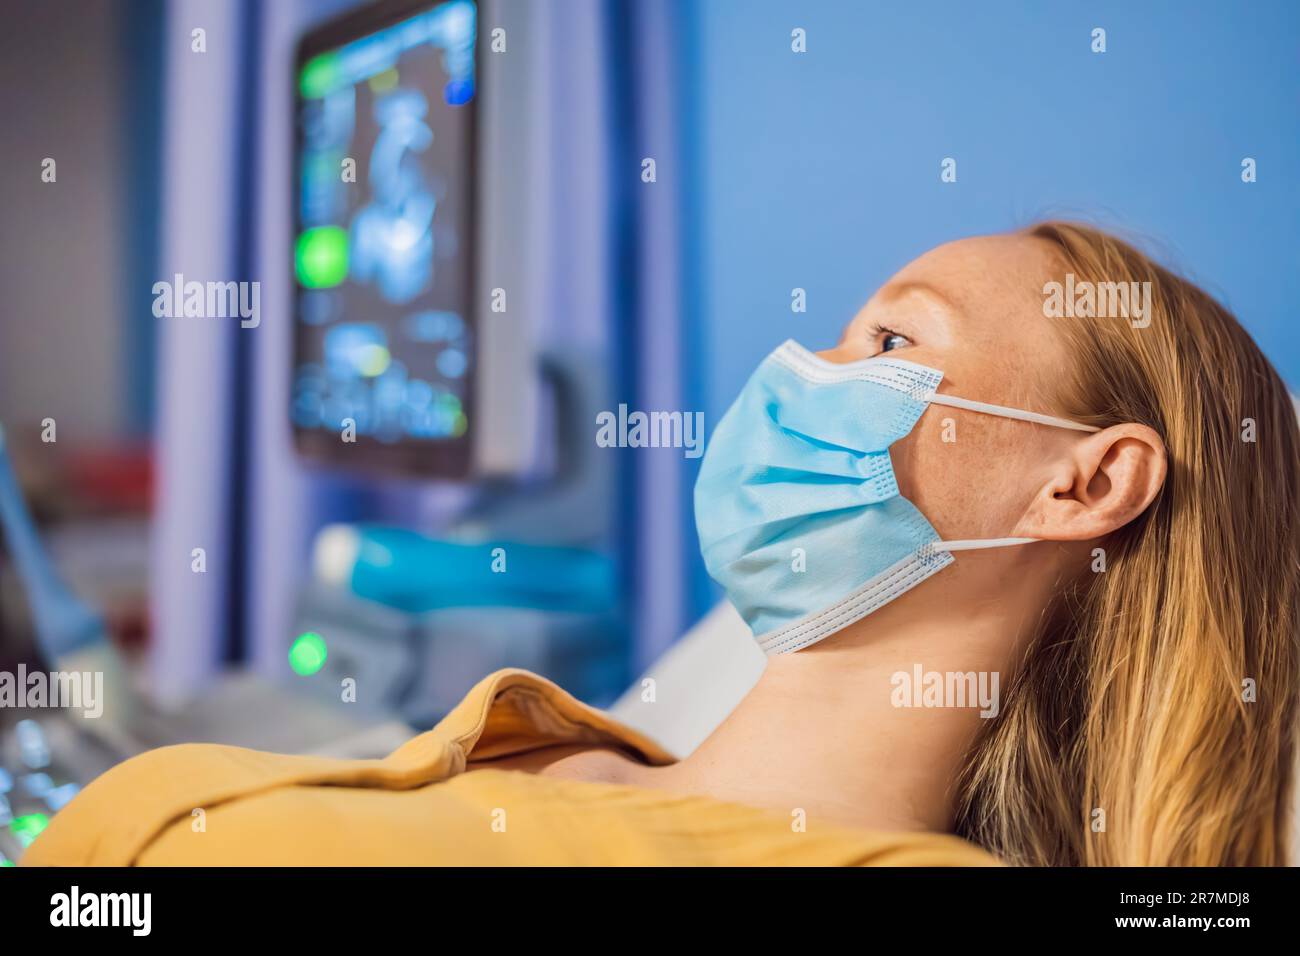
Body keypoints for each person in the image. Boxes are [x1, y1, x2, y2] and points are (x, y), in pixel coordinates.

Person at [26, 222, 1297, 867]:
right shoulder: (554, 741)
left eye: (894, 345)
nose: (798, 374)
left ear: (1083, 484)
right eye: (840, 336)